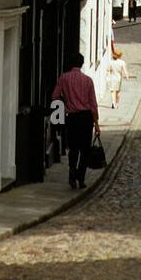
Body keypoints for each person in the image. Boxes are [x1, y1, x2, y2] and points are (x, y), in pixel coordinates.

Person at [52, 53, 100, 189]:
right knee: (85, 149)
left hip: (72, 118)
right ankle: (81, 178)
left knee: (73, 149)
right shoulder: (88, 80)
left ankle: (72, 176)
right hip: (86, 118)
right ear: (82, 64)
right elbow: (93, 104)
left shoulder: (63, 78)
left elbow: (55, 97)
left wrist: (63, 110)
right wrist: (96, 124)